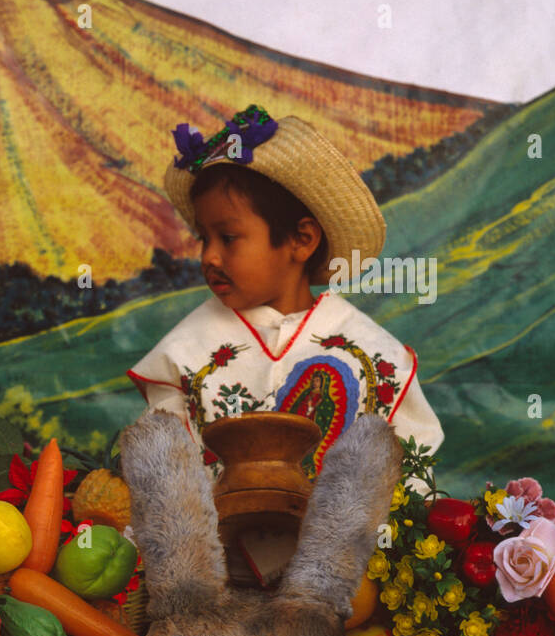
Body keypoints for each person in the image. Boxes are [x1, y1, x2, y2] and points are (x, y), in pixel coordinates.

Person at [128, 105, 444, 481]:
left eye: (228, 238)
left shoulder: (373, 354)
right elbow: (162, 480)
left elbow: (410, 480)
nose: (209, 256)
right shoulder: (184, 353)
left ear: (301, 240)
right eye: (204, 238)